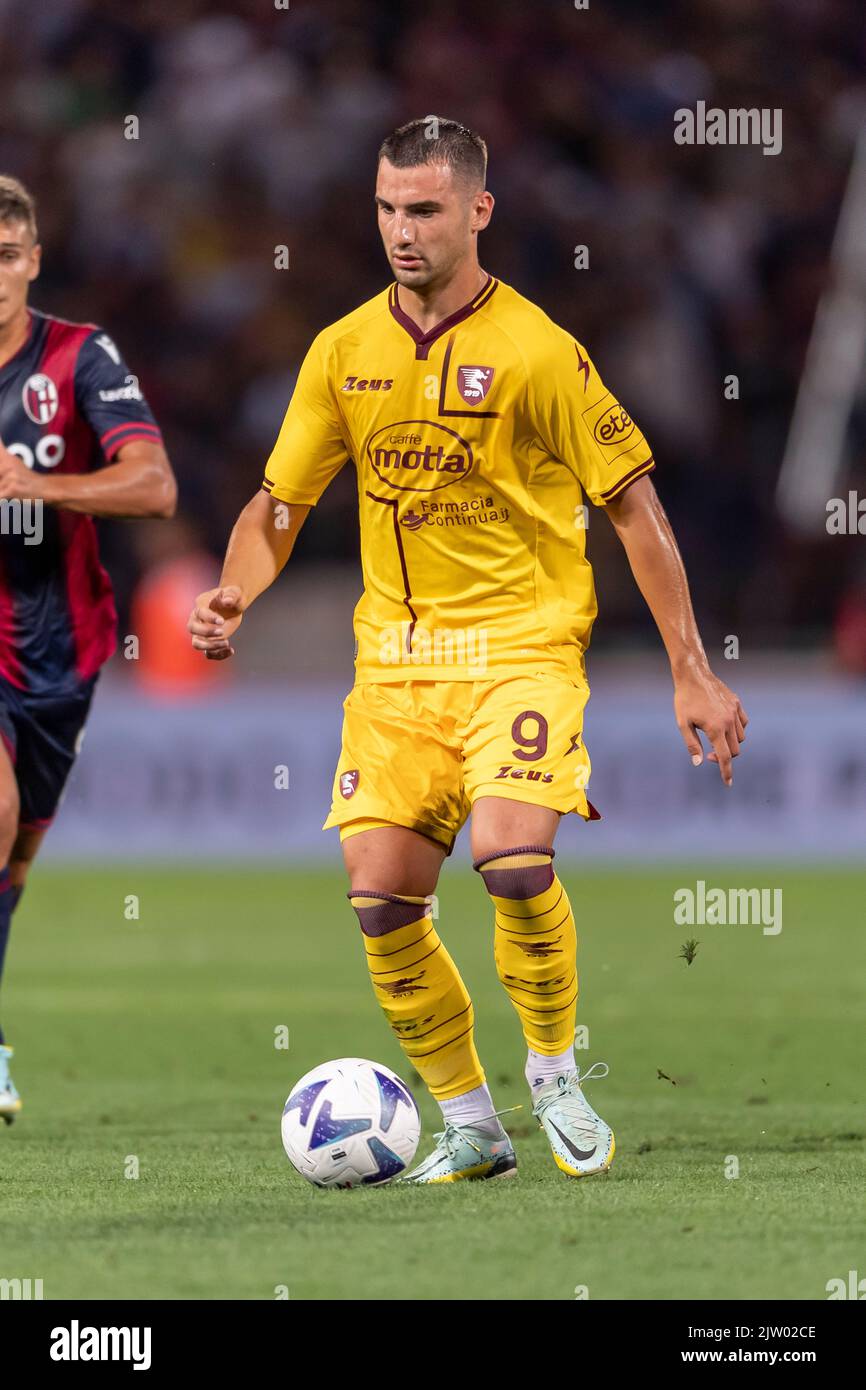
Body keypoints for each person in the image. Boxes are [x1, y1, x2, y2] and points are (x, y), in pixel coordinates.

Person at [188, 118, 747, 1183]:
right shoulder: (341, 351)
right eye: (389, 208)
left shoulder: (537, 349)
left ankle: (552, 1074)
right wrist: (234, 592)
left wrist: (688, 663)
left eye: (426, 209)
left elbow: (632, 505)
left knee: (510, 855)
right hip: (393, 666)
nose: (402, 229)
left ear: (477, 211)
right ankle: (471, 1123)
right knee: (380, 895)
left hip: (520, 646)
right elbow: (276, 506)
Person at [0, 175, 176, 1123]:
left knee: (14, 860)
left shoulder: (78, 357)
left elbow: (153, 486)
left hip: (63, 650)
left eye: (6, 256)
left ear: (32, 260)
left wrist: (38, 485)